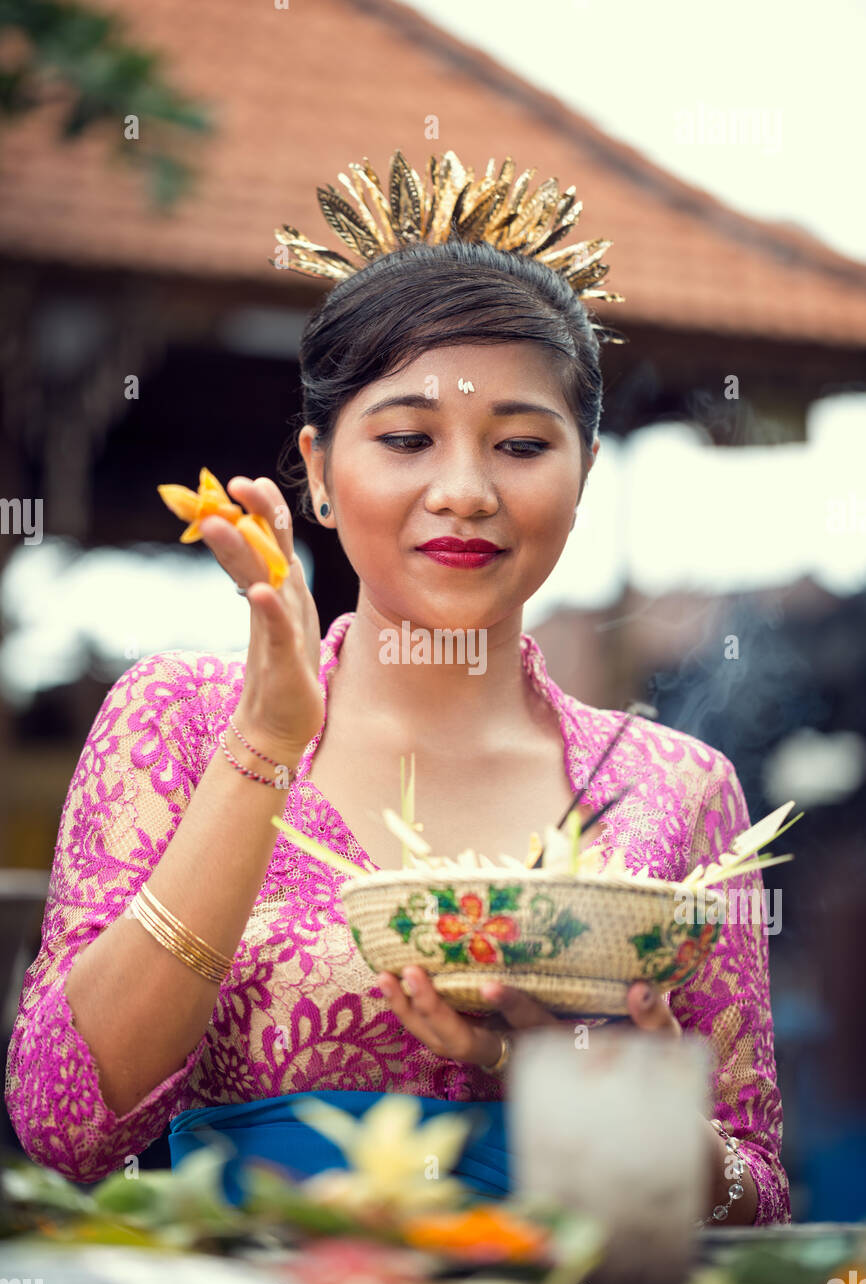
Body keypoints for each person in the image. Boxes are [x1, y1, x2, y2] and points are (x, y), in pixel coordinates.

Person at [4, 150, 789, 1226]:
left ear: (583, 475)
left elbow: (754, 1199)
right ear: (318, 470)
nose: (462, 491)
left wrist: (579, 1088)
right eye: (407, 438)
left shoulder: (675, 790)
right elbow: (68, 1122)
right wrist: (266, 745)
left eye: (519, 443)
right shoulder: (181, 720)